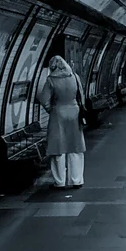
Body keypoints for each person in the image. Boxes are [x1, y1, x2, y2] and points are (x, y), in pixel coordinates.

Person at [36, 55, 86, 189]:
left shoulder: (51, 80)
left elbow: (43, 99)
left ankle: (60, 181)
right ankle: (77, 180)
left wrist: (52, 110)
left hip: (58, 114)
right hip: (74, 113)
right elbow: (81, 95)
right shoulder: (74, 77)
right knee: (75, 148)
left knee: (59, 148)